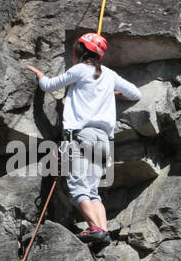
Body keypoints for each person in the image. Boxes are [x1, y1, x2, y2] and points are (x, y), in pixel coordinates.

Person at [26, 32, 141, 244]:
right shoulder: (109, 75)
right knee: (92, 190)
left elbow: (49, 86)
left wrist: (40, 75)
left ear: (79, 51)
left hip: (81, 136)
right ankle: (102, 232)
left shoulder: (80, 69)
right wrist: (112, 94)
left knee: (78, 186)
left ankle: (95, 228)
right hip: (103, 139)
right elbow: (135, 94)